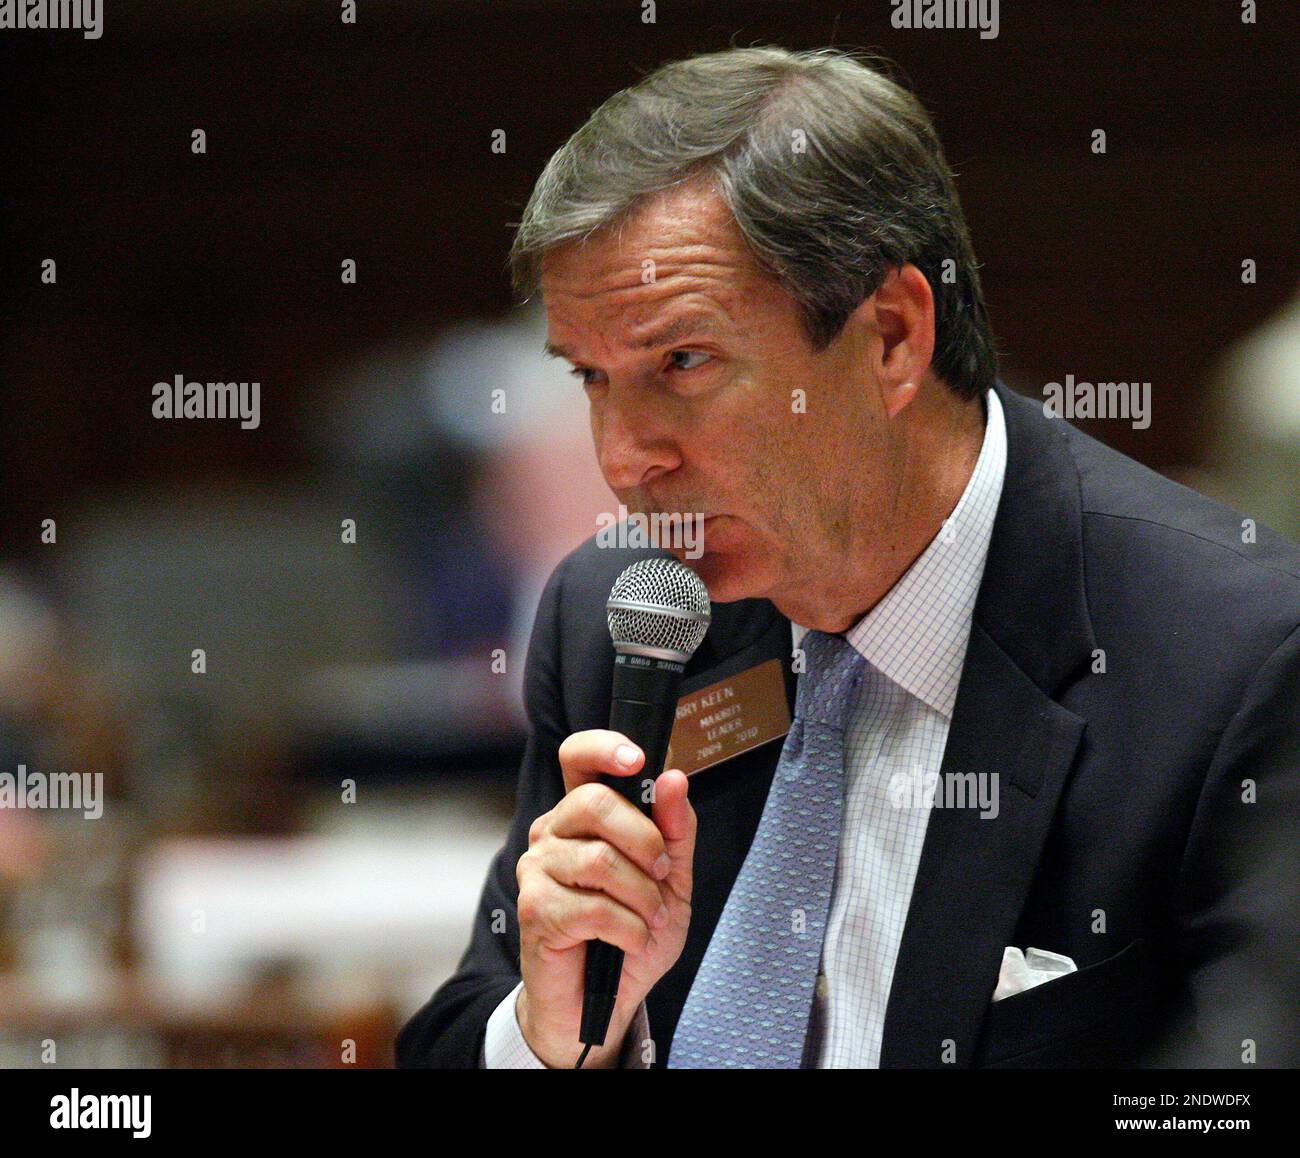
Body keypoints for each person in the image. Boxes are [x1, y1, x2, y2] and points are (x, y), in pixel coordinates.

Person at [395, 45, 1300, 1069]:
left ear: (892, 337)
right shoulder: (625, 625)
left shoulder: (1241, 665)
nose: (623, 459)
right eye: (593, 380)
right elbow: (460, 1029)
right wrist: (554, 1036)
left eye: (682, 363)